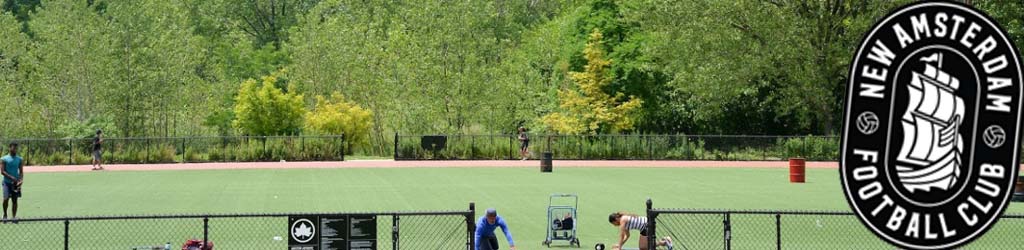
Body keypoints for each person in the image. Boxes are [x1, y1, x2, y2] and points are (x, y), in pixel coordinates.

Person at [608, 212, 673, 250]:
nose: (615, 225)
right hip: (644, 227)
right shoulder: (624, 223)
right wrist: (620, 245)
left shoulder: (623, 219)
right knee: (643, 247)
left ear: (616, 219)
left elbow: (621, 235)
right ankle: (664, 242)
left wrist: (619, 246)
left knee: (643, 247)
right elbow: (627, 236)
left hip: (647, 225)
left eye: (614, 224)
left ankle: (665, 242)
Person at [2, 143, 23, 223]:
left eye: (16, 148)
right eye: (13, 148)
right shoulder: (4, 159)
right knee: (6, 199)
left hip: (15, 184)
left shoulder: (19, 159)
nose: (15, 150)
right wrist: (11, 177)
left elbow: (21, 171)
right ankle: (5, 215)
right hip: (6, 183)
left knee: (15, 200)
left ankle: (14, 217)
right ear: (9, 148)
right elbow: (2, 171)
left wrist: (21, 180)